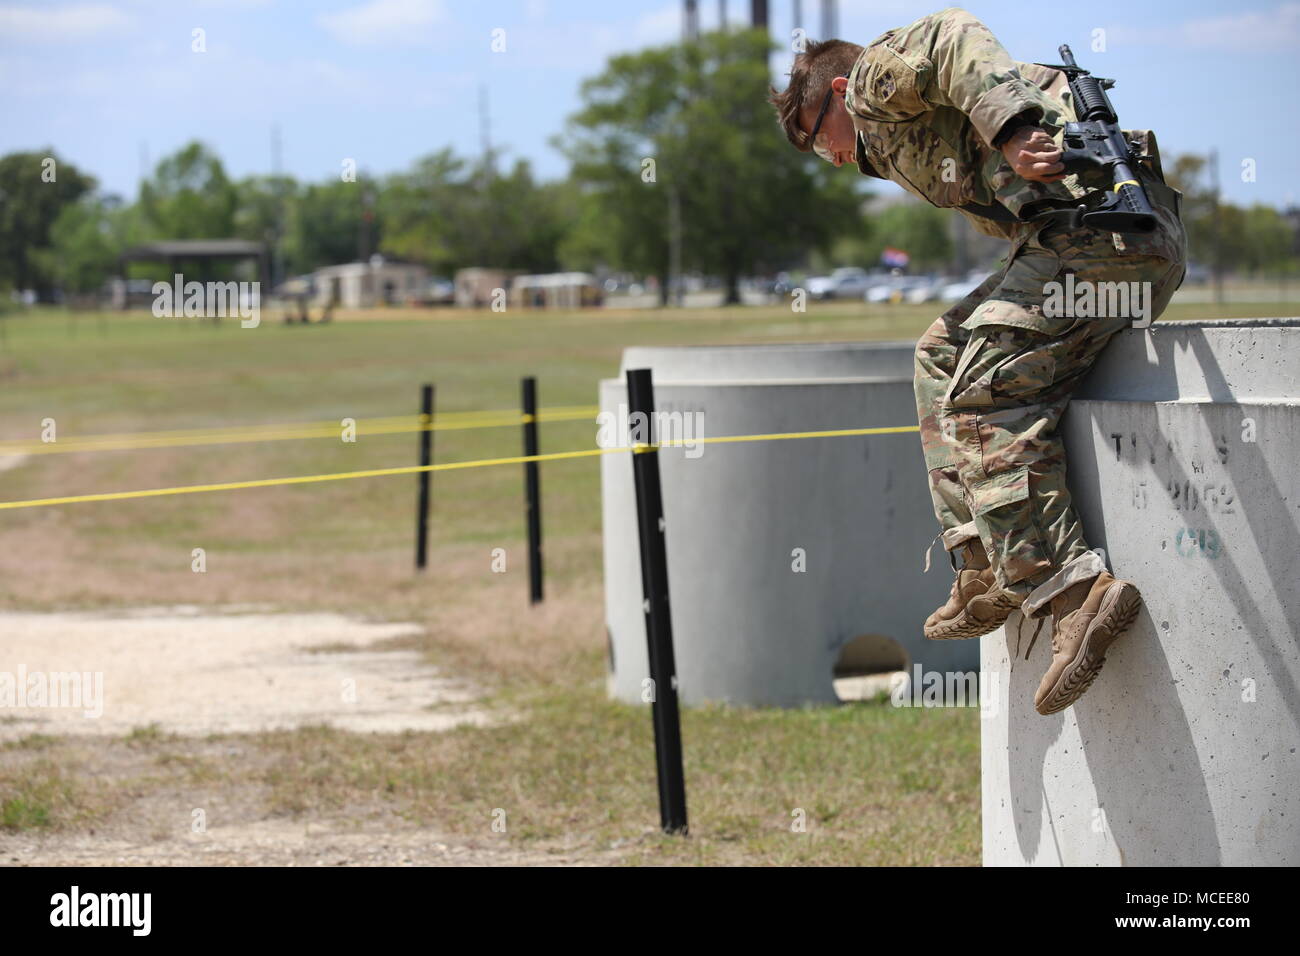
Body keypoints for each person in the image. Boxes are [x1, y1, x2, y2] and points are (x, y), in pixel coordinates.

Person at [768, 7, 1186, 715]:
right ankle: (980, 564)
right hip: (1082, 243)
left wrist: (1016, 129)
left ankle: (1075, 595)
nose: (830, 158)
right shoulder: (897, 142)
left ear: (839, 93)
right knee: (938, 353)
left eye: (817, 138)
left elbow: (951, 33)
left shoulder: (871, 84)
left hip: (1102, 242)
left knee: (985, 396)